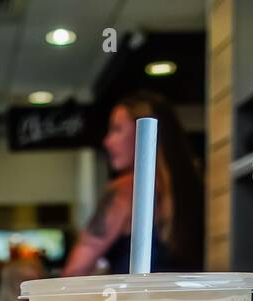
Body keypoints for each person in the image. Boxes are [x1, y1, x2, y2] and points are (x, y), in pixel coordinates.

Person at [63, 90, 204, 276]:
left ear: (145, 134)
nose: (107, 141)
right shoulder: (196, 189)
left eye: (116, 129)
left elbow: (76, 271)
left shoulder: (125, 190)